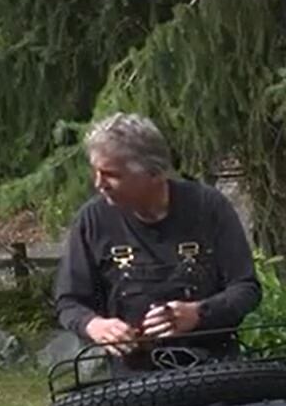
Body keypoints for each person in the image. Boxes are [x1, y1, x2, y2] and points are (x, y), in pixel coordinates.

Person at [54, 113, 261, 374]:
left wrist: (199, 313)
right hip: (133, 378)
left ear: (153, 173)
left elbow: (246, 289)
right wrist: (95, 325)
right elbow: (69, 302)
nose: (99, 184)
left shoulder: (208, 208)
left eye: (111, 175)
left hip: (213, 367)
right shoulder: (93, 220)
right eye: (96, 172)